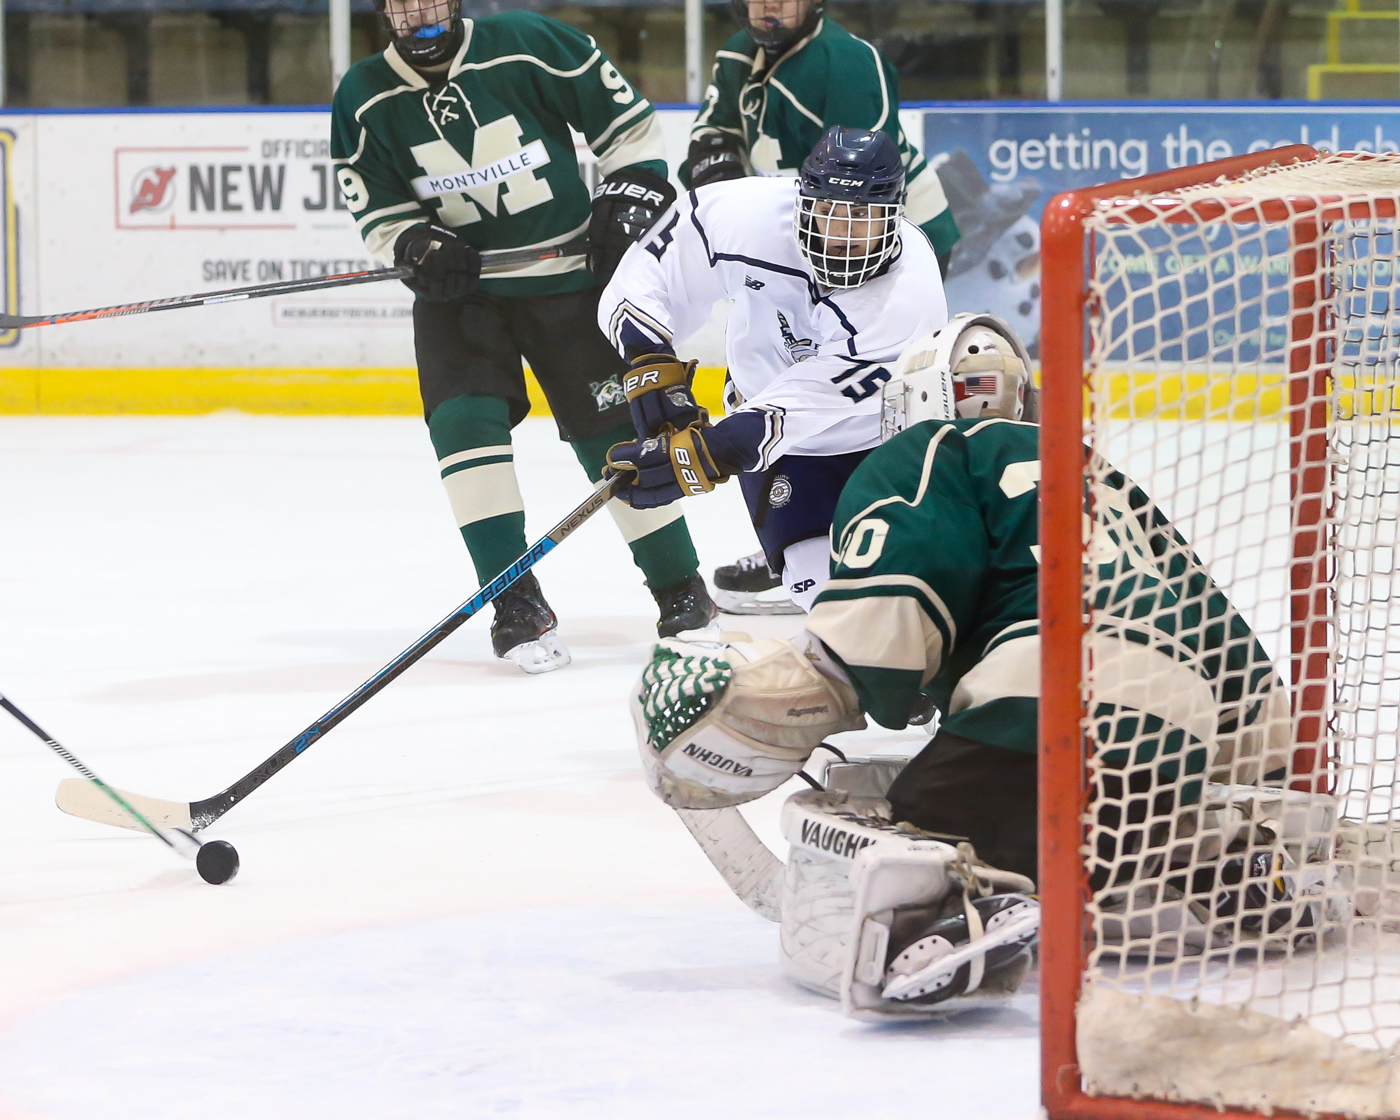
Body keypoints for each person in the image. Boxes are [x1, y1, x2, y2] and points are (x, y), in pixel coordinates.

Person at [626, 325, 1296, 1014]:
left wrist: (774, 693)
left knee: (903, 840)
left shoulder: (930, 451)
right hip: (1177, 730)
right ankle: (1209, 849)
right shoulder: (1094, 469)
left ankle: (949, 919)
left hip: (1046, 701)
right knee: (1097, 809)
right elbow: (1225, 641)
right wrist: (1269, 775)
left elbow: (890, 616)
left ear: (911, 403)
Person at [331, 0, 715, 675]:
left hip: (567, 279)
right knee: (463, 426)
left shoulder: (528, 43)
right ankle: (514, 600)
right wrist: (414, 241)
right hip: (463, 294)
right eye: (400, 2)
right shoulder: (363, 96)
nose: (416, 12)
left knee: (612, 433)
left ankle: (680, 586)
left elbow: (626, 126)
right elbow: (382, 210)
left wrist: (631, 185)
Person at [681, 0, 962, 614]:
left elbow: (854, 187)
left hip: (891, 240)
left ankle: (869, 544)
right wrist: (714, 162)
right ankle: (802, 532)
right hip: (809, 243)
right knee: (771, 375)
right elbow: (712, 134)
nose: (769, 6)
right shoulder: (737, 54)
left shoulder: (849, 63)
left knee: (867, 392)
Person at [598, 126, 947, 614]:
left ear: (894, 216)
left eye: (863, 218)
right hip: (779, 445)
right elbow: (653, 270)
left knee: (910, 598)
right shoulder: (745, 215)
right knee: (833, 609)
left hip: (881, 437)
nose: (843, 236)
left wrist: (712, 452)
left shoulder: (909, 294)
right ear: (804, 202)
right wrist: (650, 361)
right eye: (829, 213)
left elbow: (807, 400)